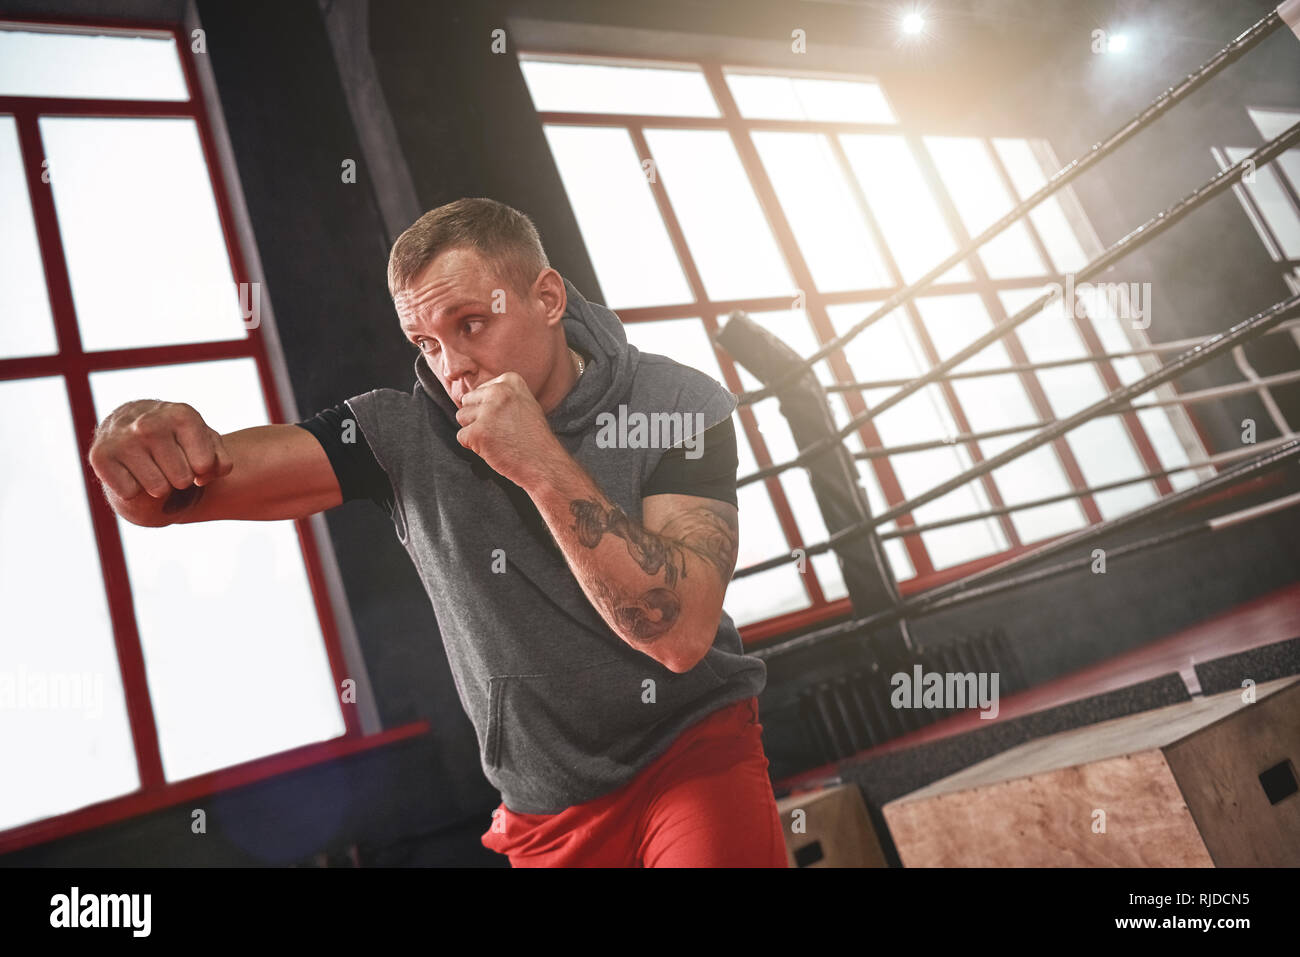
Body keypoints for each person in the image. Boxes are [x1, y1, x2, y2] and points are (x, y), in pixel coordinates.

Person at [88, 197, 788, 868]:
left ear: (547, 298)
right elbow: (178, 496)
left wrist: (540, 460)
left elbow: (680, 632)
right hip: (547, 811)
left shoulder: (674, 402)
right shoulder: (401, 434)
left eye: (471, 324)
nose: (451, 366)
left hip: (691, 752)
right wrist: (136, 453)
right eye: (425, 340)